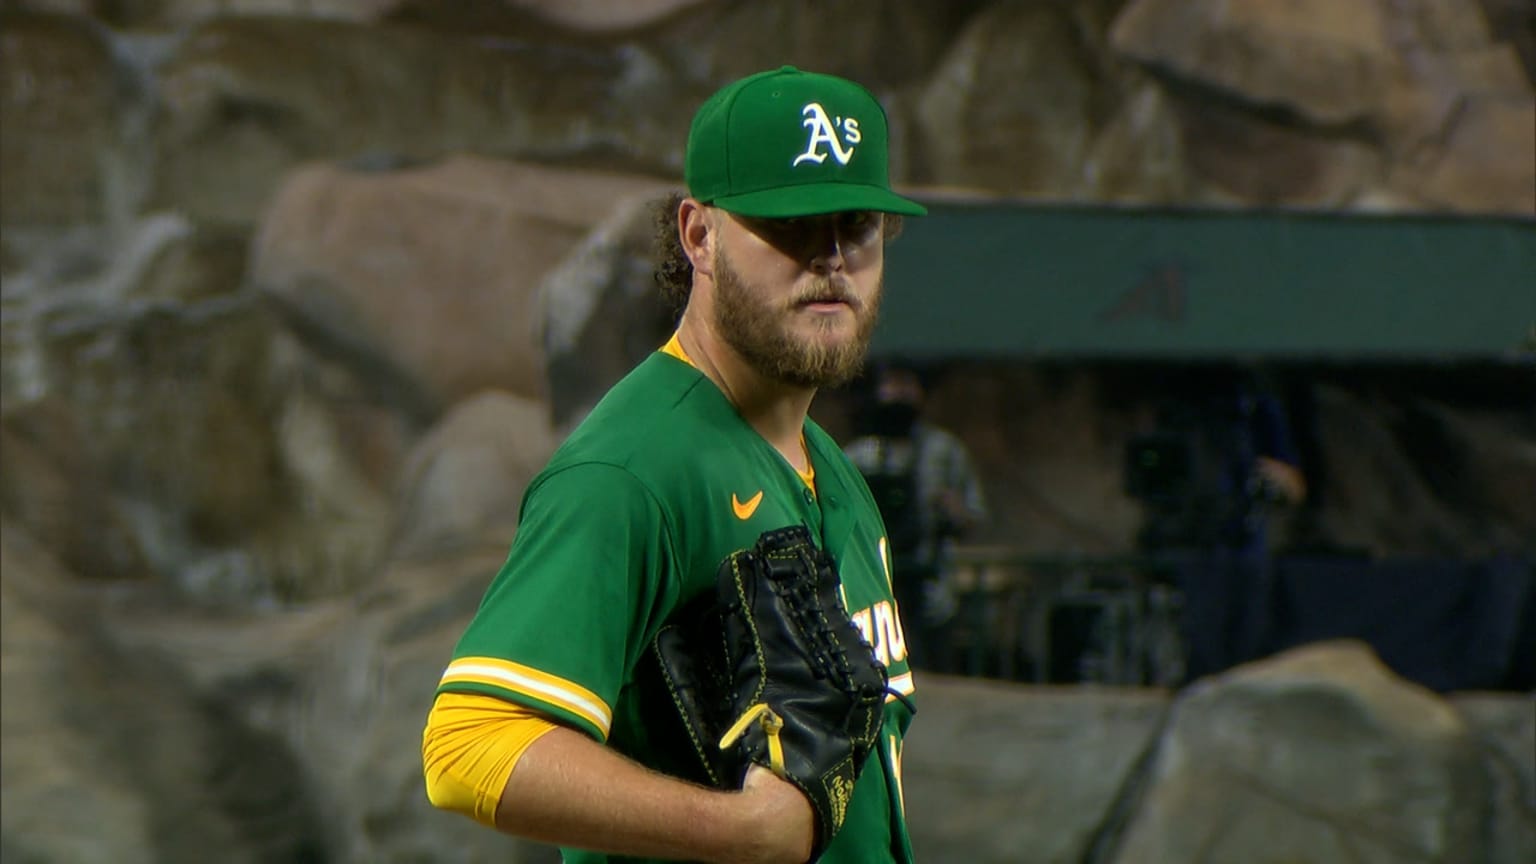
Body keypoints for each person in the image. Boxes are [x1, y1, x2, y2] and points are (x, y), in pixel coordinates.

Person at [420, 66, 928, 864]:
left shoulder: (836, 475)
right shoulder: (631, 471)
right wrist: (744, 832)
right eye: (792, 224)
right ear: (700, 235)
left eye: (856, 224)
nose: (831, 258)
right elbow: (469, 746)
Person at [1128, 364, 1306, 682]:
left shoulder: (1255, 408)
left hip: (1245, 546)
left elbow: (1294, 484)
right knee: (1199, 646)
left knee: (1249, 643)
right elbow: (1148, 474)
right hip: (1188, 547)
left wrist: (1276, 479)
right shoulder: (1172, 410)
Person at [844, 362, 988, 673]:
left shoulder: (944, 452)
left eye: (906, 385)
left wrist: (953, 511)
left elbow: (974, 516)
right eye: (890, 385)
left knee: (934, 666)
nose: (897, 395)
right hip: (871, 580)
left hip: (931, 579)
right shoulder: (856, 454)